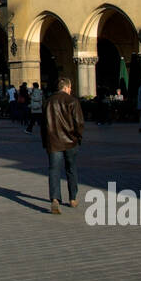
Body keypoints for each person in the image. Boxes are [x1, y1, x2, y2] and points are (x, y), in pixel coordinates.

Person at [41, 76, 84, 213]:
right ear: (65, 87)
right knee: (71, 168)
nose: (71, 90)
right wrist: (78, 137)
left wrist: (45, 141)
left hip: (53, 141)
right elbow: (79, 123)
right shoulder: (72, 101)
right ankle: (72, 198)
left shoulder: (47, 102)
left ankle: (54, 198)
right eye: (70, 87)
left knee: (54, 169)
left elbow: (43, 125)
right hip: (70, 141)